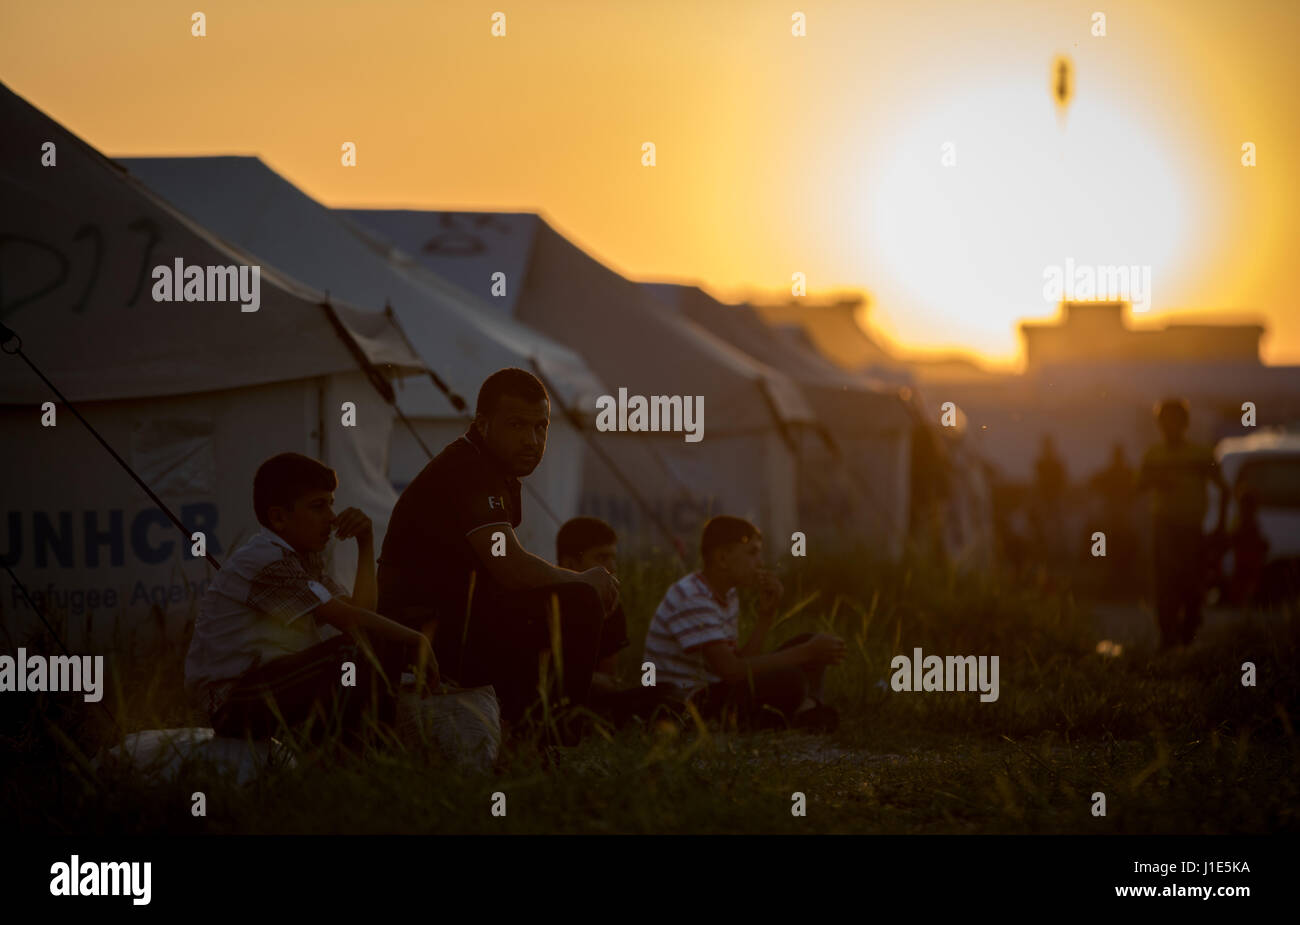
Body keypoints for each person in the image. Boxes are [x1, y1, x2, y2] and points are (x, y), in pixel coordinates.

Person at [376, 368, 620, 726]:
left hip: (459, 620)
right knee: (580, 599)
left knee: (588, 590)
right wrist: (583, 581)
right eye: (517, 425)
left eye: (541, 427)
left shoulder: (493, 467)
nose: (532, 440)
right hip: (420, 635)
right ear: (483, 422)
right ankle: (554, 734)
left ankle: (526, 724)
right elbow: (511, 567)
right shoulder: (469, 469)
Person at [185, 453, 438, 747]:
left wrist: (366, 543)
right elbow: (351, 621)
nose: (332, 518)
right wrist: (417, 639)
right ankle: (350, 756)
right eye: (318, 507)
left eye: (331, 504)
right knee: (351, 655)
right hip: (231, 702)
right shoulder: (265, 560)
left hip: (272, 683)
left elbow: (361, 614)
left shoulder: (303, 558)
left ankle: (365, 753)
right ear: (278, 517)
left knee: (373, 643)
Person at [643, 515, 845, 732]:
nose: (760, 563)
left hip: (717, 689)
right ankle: (801, 714)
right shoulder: (691, 596)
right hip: (687, 704)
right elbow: (732, 671)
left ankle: (801, 712)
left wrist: (765, 618)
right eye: (752, 553)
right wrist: (806, 652)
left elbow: (742, 663)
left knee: (807, 641)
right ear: (722, 558)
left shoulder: (728, 595)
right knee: (791, 677)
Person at [1136, 398, 1228, 649]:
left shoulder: (1201, 455)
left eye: (1175, 421)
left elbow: (1224, 489)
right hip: (1163, 528)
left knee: (1191, 581)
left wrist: (1220, 526)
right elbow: (1138, 487)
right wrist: (1156, 480)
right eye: (1164, 421)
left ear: (1184, 424)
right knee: (1165, 581)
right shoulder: (1153, 455)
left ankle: (1188, 634)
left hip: (1191, 529)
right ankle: (1166, 635)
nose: (1169, 426)